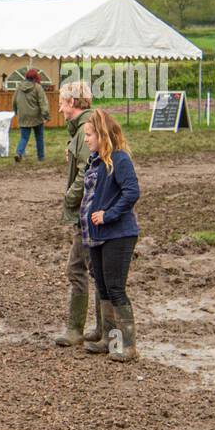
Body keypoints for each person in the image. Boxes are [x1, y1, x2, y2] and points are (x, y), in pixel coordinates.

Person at [79, 110, 141, 362]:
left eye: (89, 135)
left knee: (115, 288)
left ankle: (128, 346)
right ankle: (109, 339)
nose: (86, 140)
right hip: (95, 235)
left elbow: (132, 192)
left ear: (102, 135)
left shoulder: (120, 159)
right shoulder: (95, 162)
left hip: (118, 234)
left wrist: (109, 215)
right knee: (103, 286)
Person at [53, 81, 102, 347]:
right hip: (92, 212)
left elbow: (87, 171)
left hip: (87, 213)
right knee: (95, 270)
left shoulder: (84, 130)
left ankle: (76, 329)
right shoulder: (87, 126)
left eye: (61, 102)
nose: (59, 108)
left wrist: (70, 196)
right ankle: (100, 329)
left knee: (77, 268)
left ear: (72, 102)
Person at [13, 69, 50, 162]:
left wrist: (16, 112)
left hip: (23, 116)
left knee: (24, 137)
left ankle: (19, 153)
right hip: (36, 116)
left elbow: (14, 101)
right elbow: (43, 102)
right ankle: (41, 157)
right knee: (39, 137)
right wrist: (46, 115)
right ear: (35, 77)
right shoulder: (37, 87)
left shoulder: (19, 87)